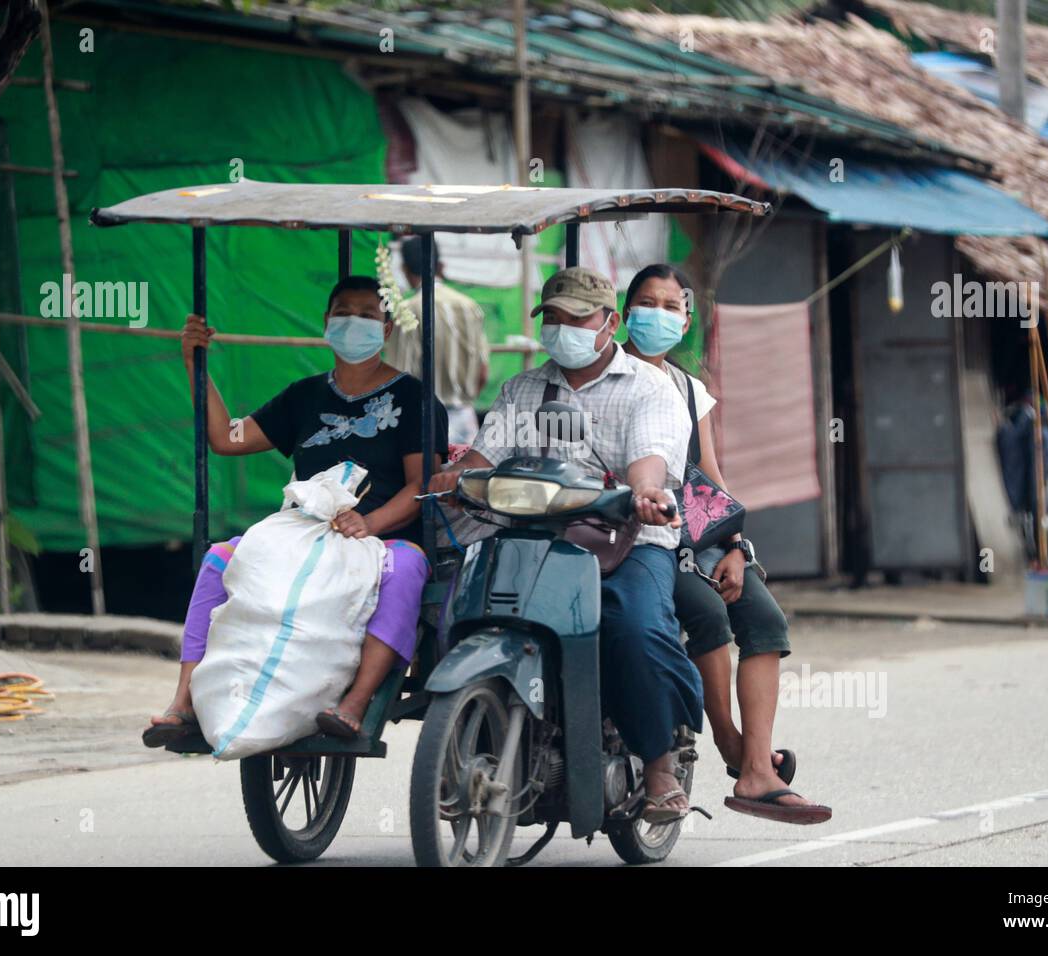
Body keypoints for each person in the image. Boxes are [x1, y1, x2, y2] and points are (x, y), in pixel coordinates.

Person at [429, 266, 703, 824]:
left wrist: (647, 492)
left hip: (628, 535)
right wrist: (451, 482)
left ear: (609, 323)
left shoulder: (651, 388)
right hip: (529, 532)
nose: (563, 329)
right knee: (456, 603)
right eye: (552, 318)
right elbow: (483, 460)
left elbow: (649, 461)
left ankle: (657, 766)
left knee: (633, 627)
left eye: (576, 318)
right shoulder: (523, 388)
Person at [144, 275, 449, 748]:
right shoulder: (303, 396)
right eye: (344, 312)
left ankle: (356, 704)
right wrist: (194, 362)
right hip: (303, 533)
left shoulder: (412, 398)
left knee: (408, 568)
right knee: (219, 558)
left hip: (381, 536)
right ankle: (183, 701)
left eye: (368, 314)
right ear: (326, 323)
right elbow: (227, 438)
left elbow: (422, 485)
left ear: (386, 329)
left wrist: (368, 522)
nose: (354, 322)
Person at [622, 263, 831, 824]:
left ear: (687, 318)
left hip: (701, 534)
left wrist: (735, 545)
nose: (659, 314)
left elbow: (707, 477)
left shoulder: (691, 391)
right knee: (708, 613)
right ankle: (730, 744)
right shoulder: (611, 377)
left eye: (672, 306)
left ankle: (757, 766)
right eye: (647, 302)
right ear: (624, 312)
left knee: (763, 619)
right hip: (644, 538)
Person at [386, 236, 490, 446]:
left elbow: (398, 377)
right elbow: (482, 373)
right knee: (463, 476)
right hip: (464, 418)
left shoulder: (407, 310)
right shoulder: (469, 305)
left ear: (405, 269)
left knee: (426, 478)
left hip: (422, 420)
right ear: (440, 265)